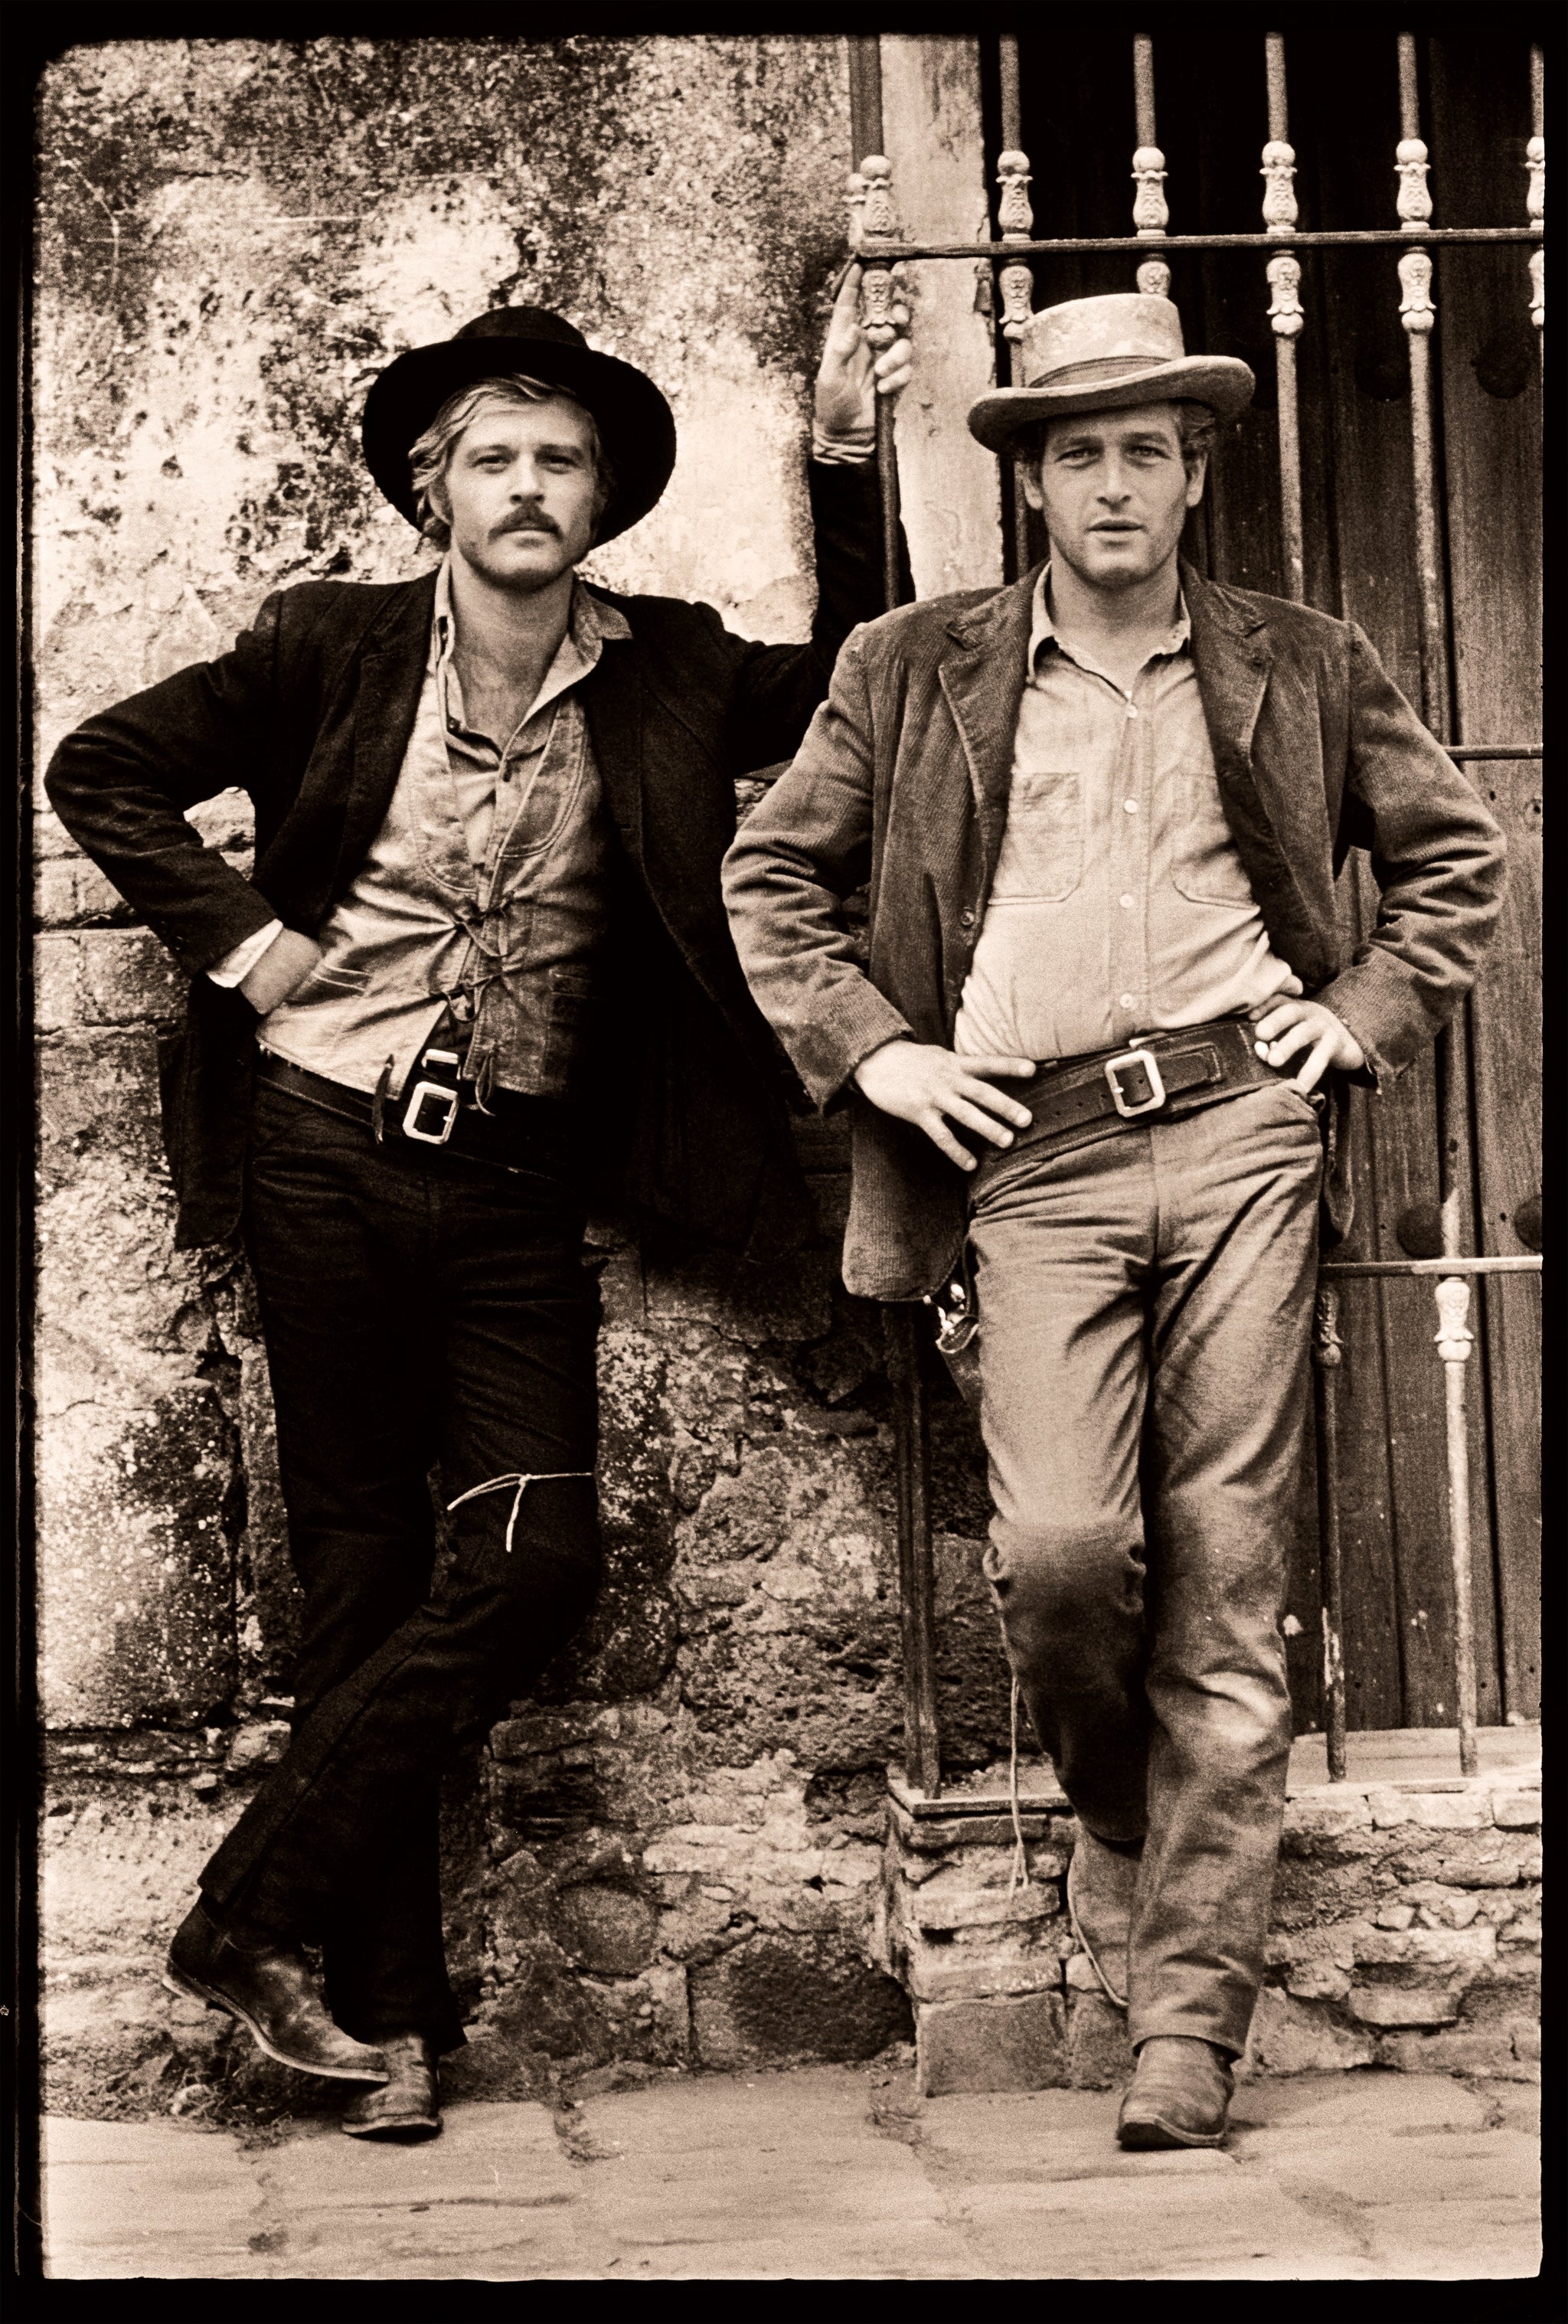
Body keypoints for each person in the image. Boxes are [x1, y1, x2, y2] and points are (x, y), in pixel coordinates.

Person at [45, 273, 910, 2141]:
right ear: (436, 489)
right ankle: (392, 2026)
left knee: (531, 1563)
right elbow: (98, 768)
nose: (529, 485)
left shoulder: (674, 663)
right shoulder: (325, 646)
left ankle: (241, 1916)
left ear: (603, 496)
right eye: (495, 457)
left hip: (520, 1185)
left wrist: (849, 447)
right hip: (320, 1158)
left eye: (563, 458)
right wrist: (251, 950)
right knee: (357, 1586)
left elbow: (870, 664)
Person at [721, 290, 1505, 2150]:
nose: (1113, 484)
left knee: (1227, 1576)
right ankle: (1132, 1812)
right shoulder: (915, 666)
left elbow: (1452, 857)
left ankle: (1187, 2030)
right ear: (1032, 480)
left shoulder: (1299, 658)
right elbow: (774, 869)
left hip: (1242, 1128)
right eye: (1078, 451)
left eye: (1146, 449)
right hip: (1027, 1157)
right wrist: (879, 1055)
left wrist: (1362, 1014)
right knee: (1065, 1557)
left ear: (1195, 470)